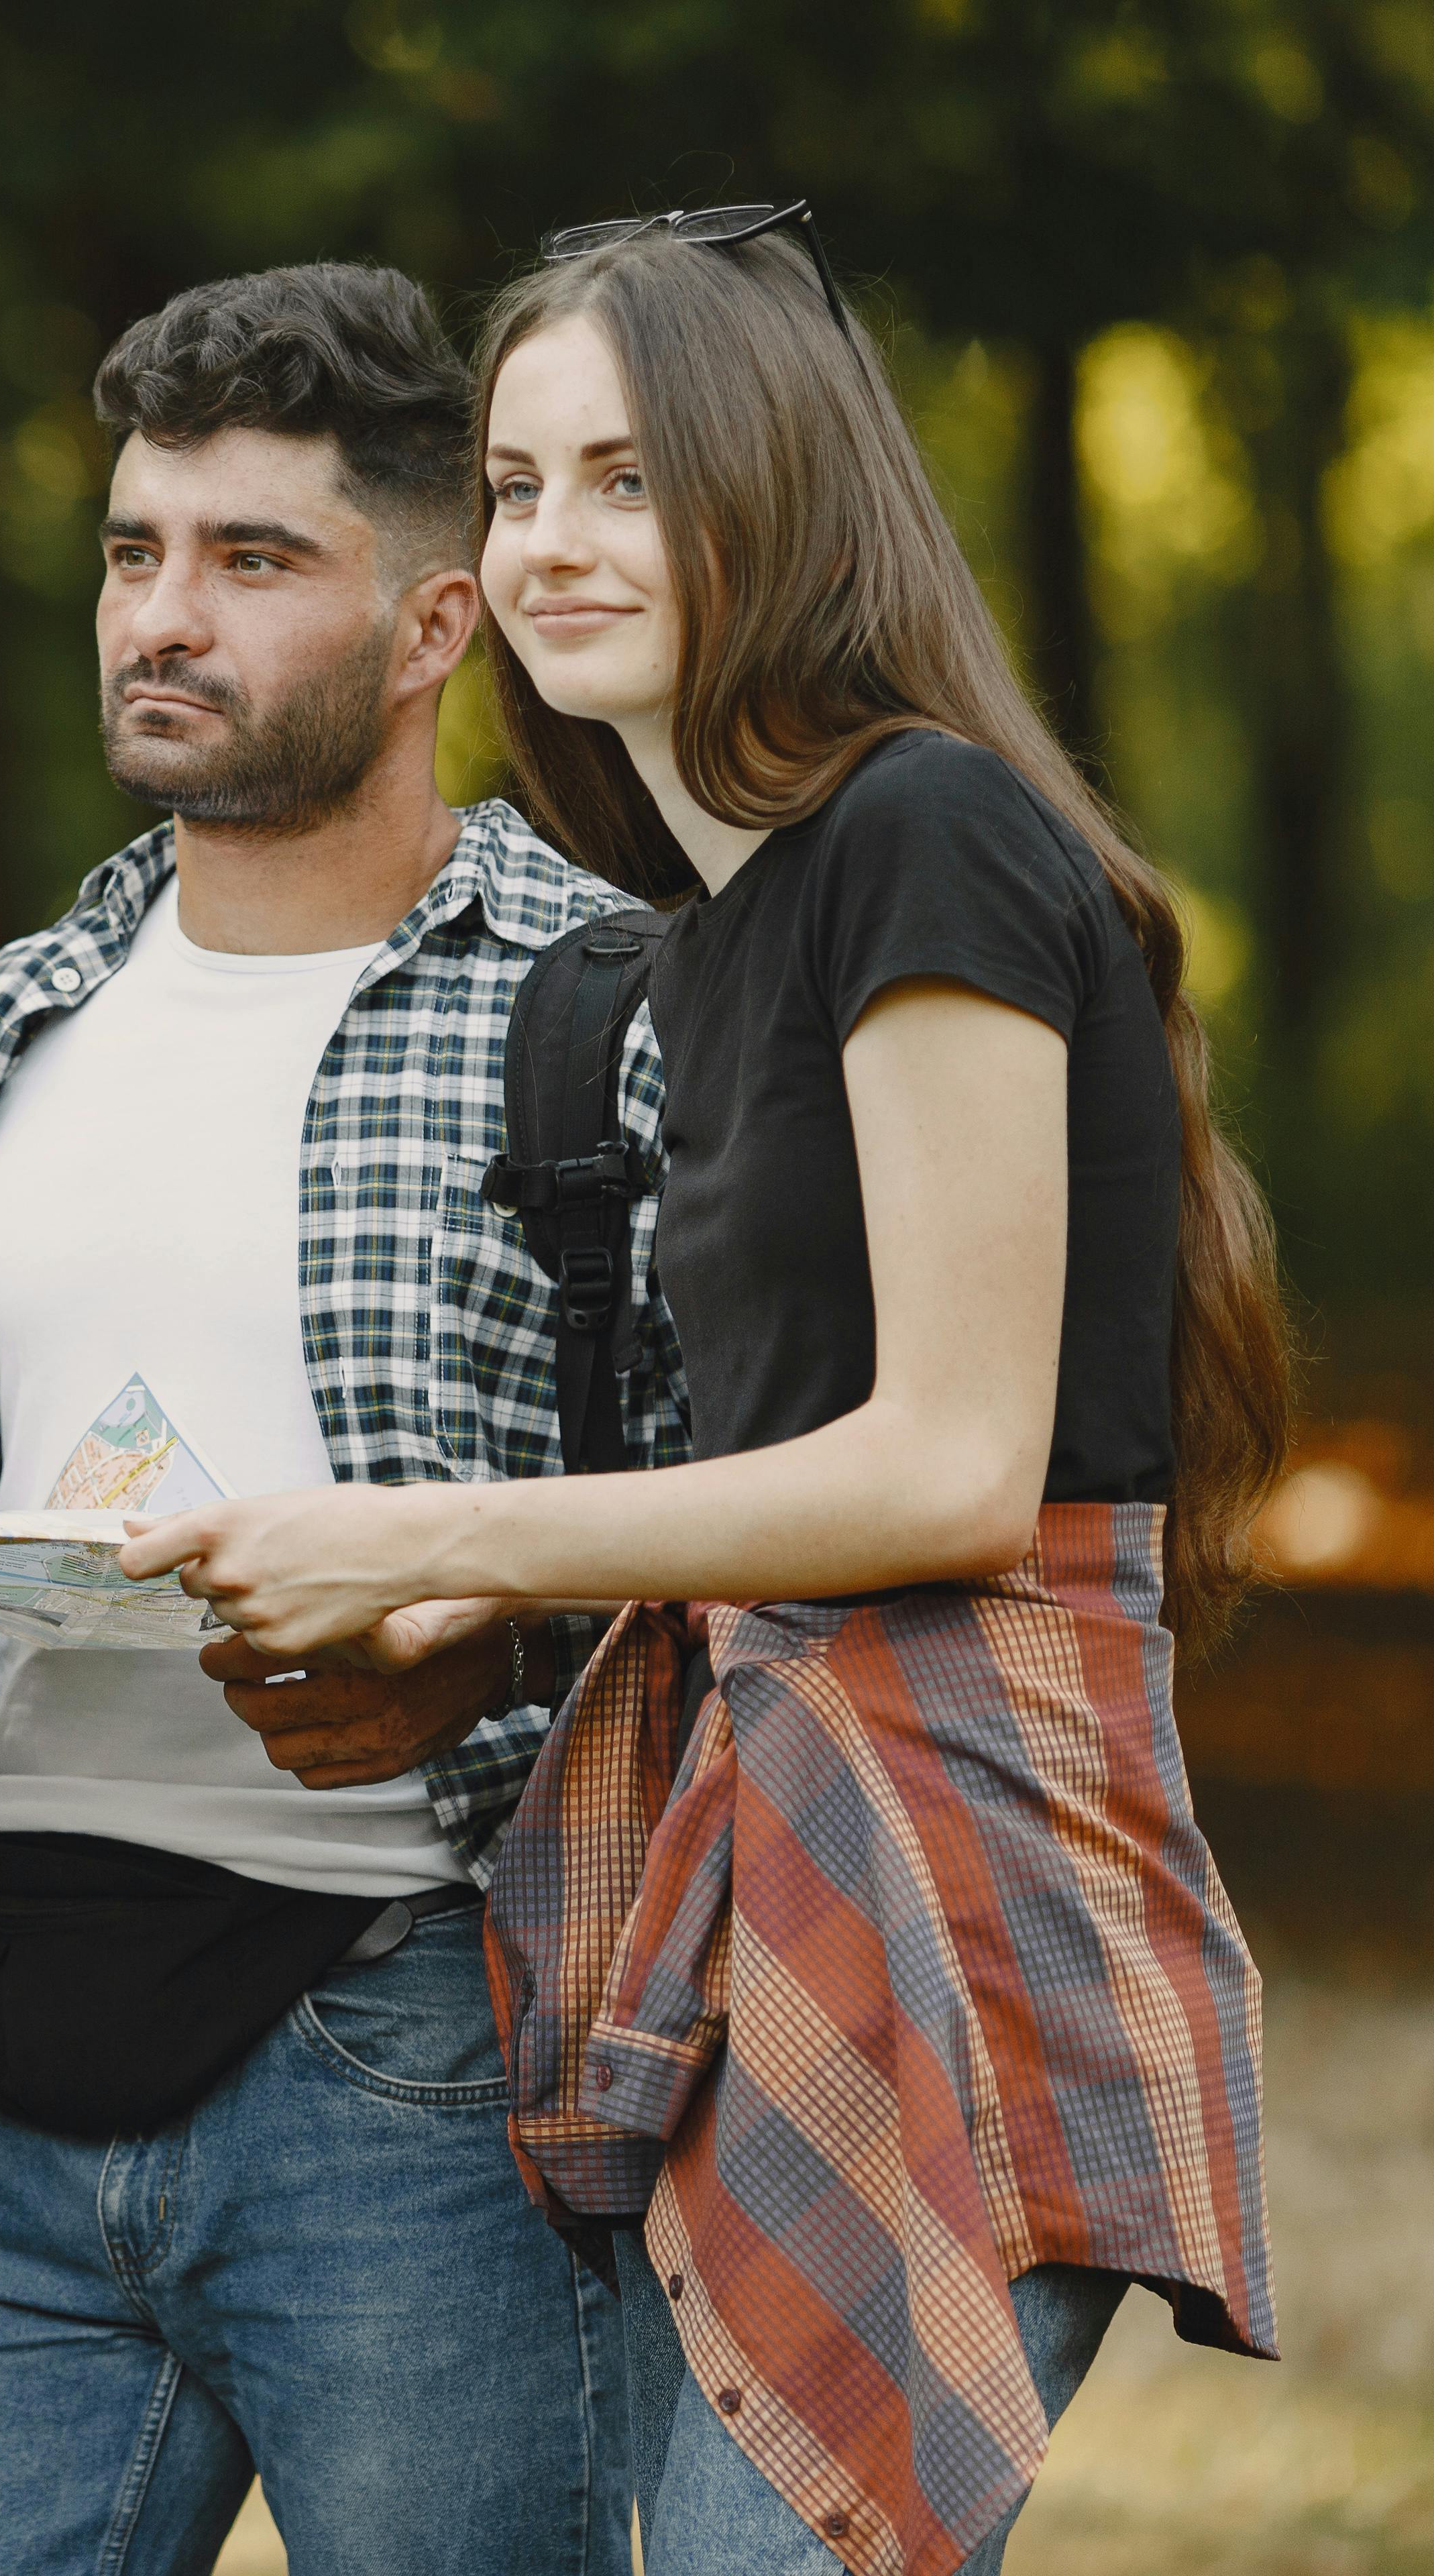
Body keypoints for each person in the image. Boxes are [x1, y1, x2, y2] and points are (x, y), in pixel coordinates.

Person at [127, 211, 1288, 2576]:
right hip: (758, 1846)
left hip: (956, 1853)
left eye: (628, 482)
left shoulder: (924, 833)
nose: (556, 545)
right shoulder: (718, 925)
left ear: (780, 495)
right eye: (524, 486)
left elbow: (956, 1469)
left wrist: (434, 1532)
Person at [0, 265, 674, 2574]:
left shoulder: (610, 1012)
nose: (165, 615)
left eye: (252, 562)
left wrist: (489, 1634)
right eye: (138, 551)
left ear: (438, 621)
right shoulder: (22, 1006)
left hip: (417, 2050)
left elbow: (762, 1518)